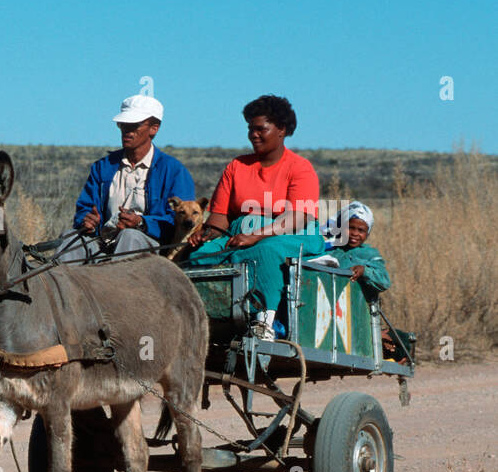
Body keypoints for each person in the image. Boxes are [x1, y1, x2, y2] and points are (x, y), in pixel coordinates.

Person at [186, 94, 325, 340]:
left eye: (261, 129)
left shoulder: (300, 168)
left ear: (281, 130)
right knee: (199, 257)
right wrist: (205, 234)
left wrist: (256, 235)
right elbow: (219, 218)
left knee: (266, 252)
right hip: (241, 233)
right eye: (250, 129)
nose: (253, 135)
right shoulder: (236, 167)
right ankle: (213, 320)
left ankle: (265, 321)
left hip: (290, 231)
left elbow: (299, 216)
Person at [61, 95, 195, 263]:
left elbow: (181, 221)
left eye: (134, 125)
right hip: (102, 242)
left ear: (154, 128)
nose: (127, 130)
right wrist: (87, 221)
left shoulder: (174, 171)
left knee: (129, 236)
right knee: (69, 237)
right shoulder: (103, 167)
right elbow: (84, 208)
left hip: (151, 249)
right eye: (123, 125)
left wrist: (142, 223)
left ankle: (117, 288)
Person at [319, 200, 391, 298]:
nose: (355, 233)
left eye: (361, 230)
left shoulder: (370, 255)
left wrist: (364, 271)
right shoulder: (328, 250)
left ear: (367, 234)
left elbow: (384, 281)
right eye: (350, 228)